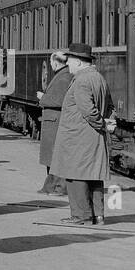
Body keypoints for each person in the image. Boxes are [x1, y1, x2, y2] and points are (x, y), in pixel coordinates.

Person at [50, 43, 114, 224]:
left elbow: (88, 111)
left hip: (78, 138)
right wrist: (109, 121)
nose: (67, 64)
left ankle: (80, 216)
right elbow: (110, 106)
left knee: (75, 176)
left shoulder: (82, 81)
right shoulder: (99, 78)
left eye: (69, 60)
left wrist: (102, 123)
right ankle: (98, 215)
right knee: (93, 178)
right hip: (93, 137)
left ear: (78, 62)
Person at [37, 51, 71, 195]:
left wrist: (43, 98)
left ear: (56, 63)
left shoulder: (63, 77)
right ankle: (50, 186)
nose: (50, 65)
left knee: (56, 156)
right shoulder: (63, 75)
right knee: (52, 157)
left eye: (51, 63)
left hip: (55, 122)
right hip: (53, 121)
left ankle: (59, 187)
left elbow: (59, 100)